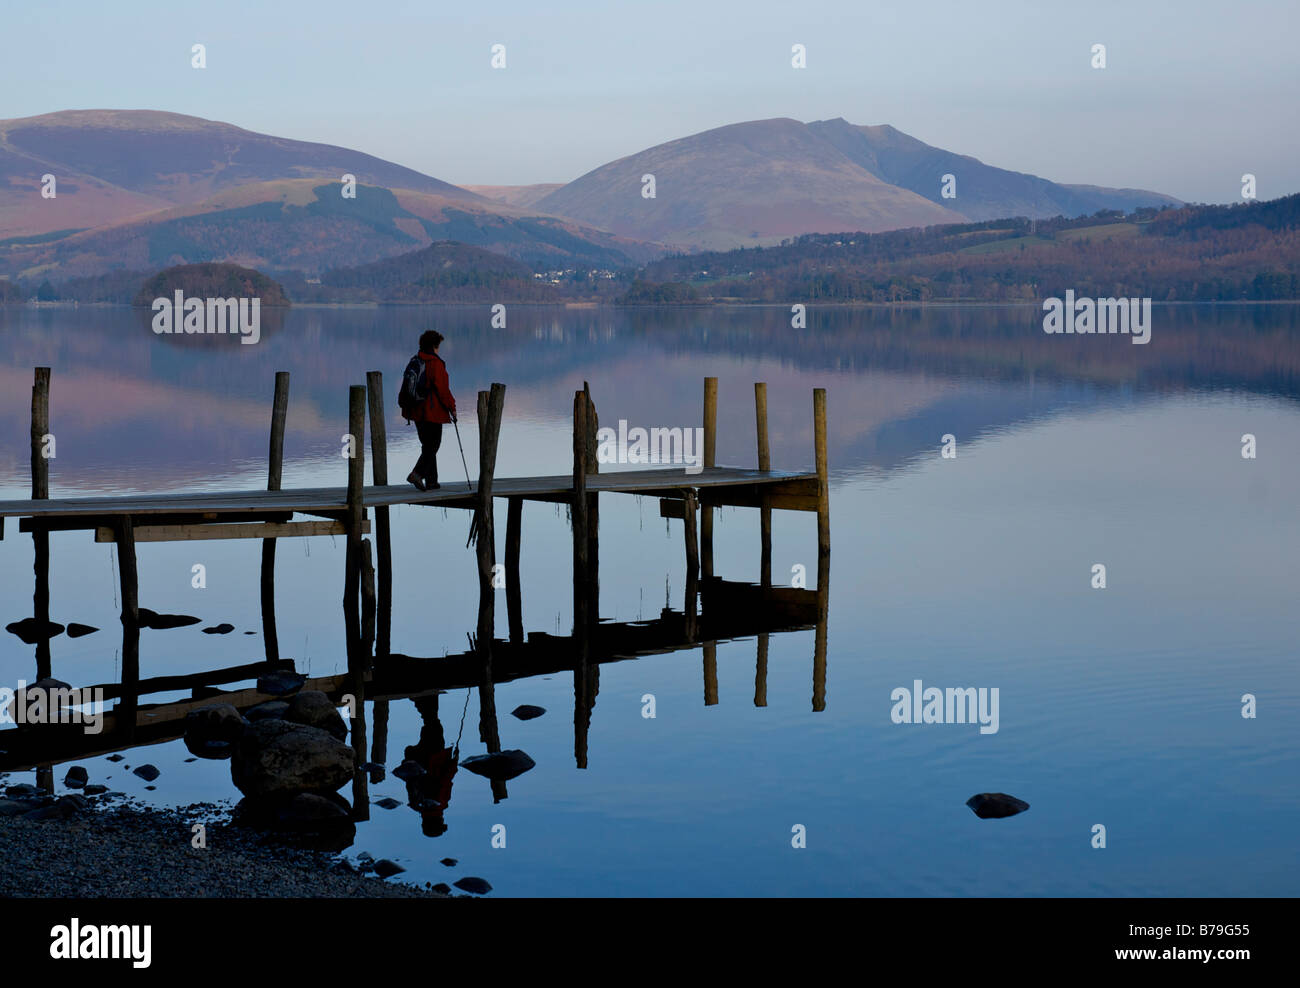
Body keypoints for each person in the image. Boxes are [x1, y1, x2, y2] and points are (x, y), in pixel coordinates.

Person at [407, 329, 457, 491]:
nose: (439, 349)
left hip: (415, 411)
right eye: (438, 346)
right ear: (434, 346)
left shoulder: (415, 360)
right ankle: (417, 473)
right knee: (433, 445)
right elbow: (443, 390)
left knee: (427, 446)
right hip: (432, 412)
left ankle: (432, 481)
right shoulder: (435, 363)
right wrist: (452, 409)